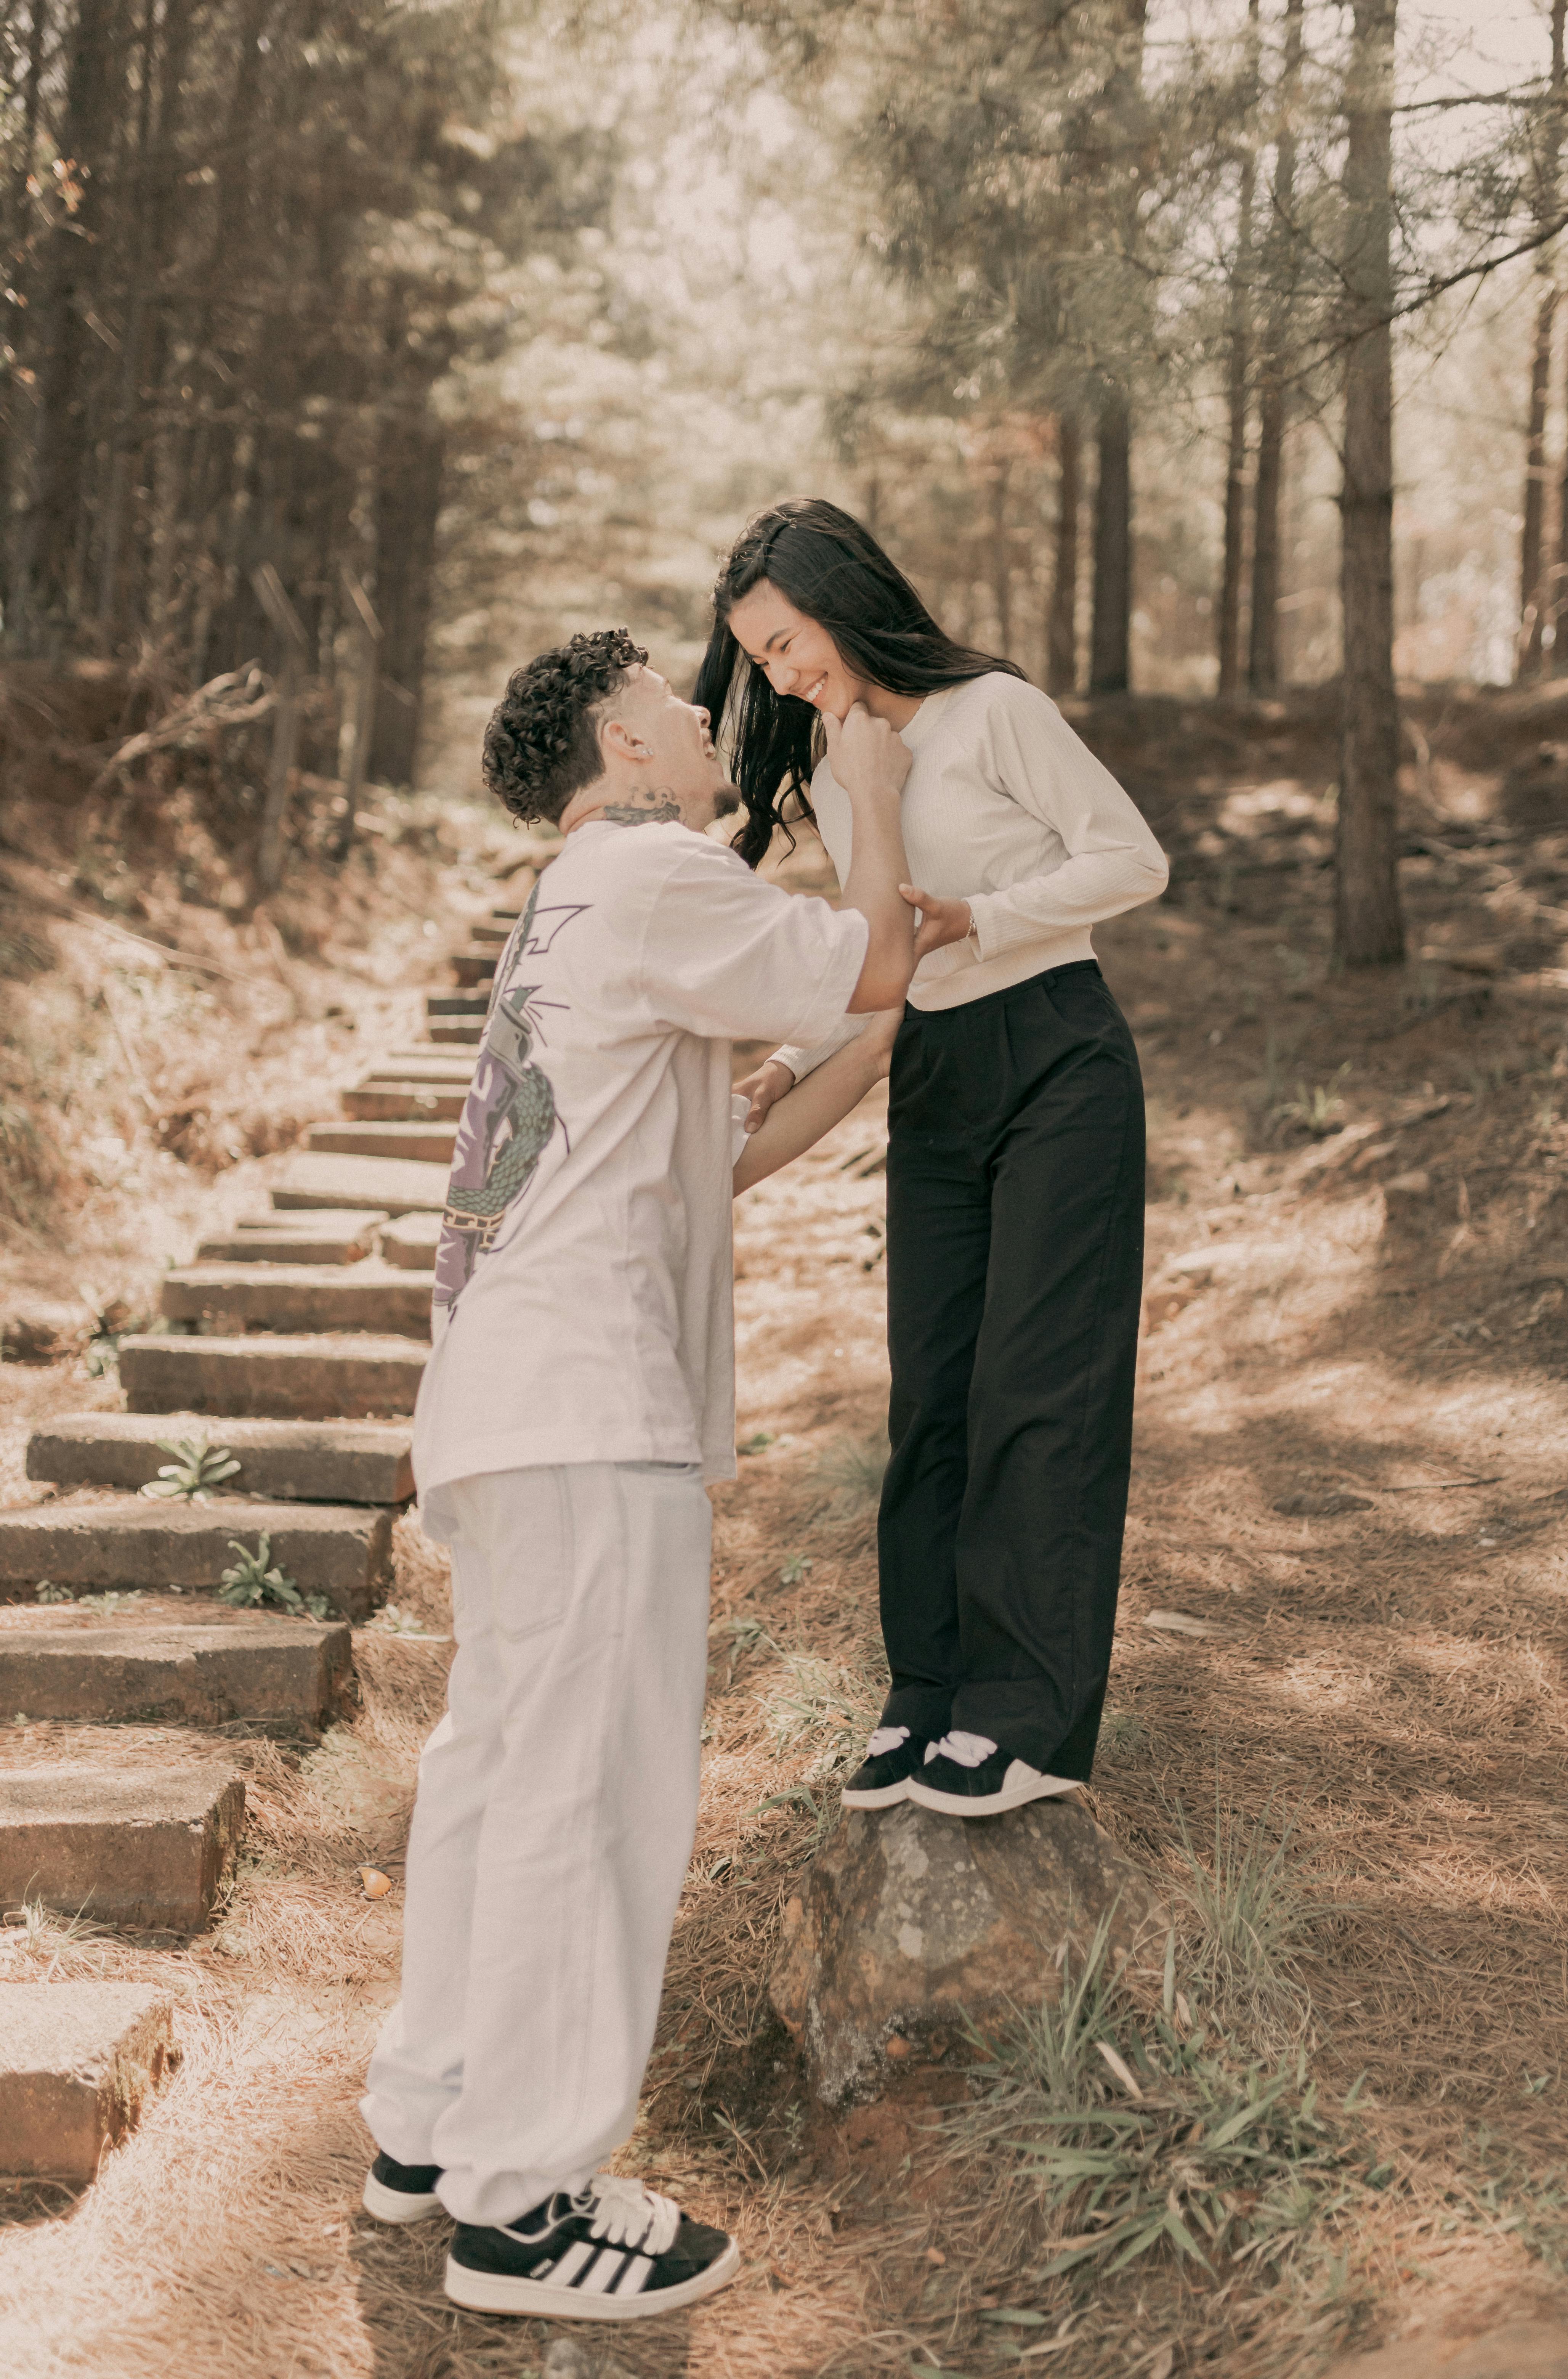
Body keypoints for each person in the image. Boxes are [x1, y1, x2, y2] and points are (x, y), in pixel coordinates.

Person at [359, 628, 915, 2323]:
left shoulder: (573, 905)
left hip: (506, 1399)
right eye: (679, 705)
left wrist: (828, 1034)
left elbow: (720, 1132)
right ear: (619, 736)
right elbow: (875, 965)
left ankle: (430, 2124)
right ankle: (520, 2213)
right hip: (586, 1410)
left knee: (498, 1770)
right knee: (584, 1800)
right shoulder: (659, 867)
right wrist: (866, 781)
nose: (704, 719)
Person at [696, 497, 1169, 1822]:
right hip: (941, 1083)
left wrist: (988, 915)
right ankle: (929, 1692)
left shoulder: (993, 711)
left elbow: (1135, 860)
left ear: (842, 601)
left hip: (1061, 1059)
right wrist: (788, 1067)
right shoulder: (851, 760)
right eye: (762, 661)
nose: (782, 676)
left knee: (1042, 1392)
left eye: (789, 644)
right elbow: (877, 968)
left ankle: (1030, 1719)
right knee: (936, 1398)